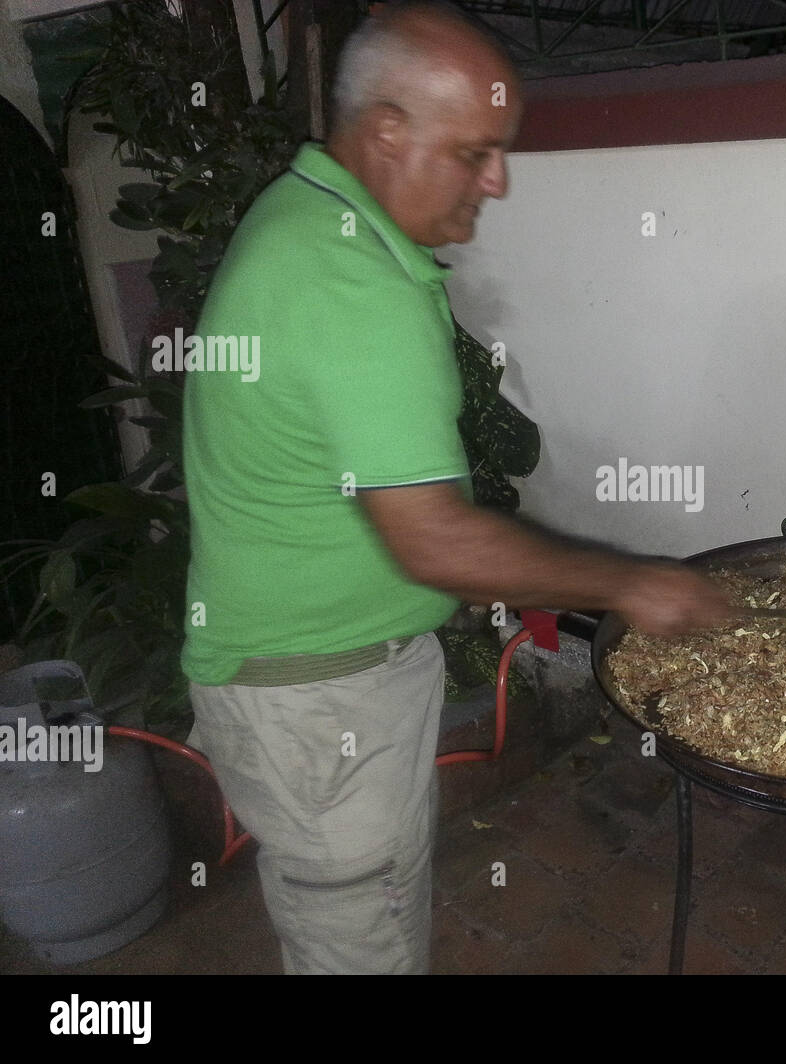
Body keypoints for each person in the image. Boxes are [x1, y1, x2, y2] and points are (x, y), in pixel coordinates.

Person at [180, 1, 730, 974]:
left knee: (358, 912)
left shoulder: (305, 210)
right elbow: (431, 536)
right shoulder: (350, 284)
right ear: (387, 130)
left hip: (307, 684)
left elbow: (350, 476)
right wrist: (634, 585)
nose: (499, 180)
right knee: (360, 941)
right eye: (476, 152)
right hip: (319, 698)